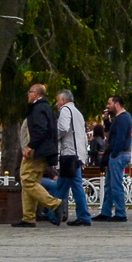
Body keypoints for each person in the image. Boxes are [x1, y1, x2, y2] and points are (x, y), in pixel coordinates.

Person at [18, 81, 66, 227]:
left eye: (30, 92)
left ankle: (55, 204)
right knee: (31, 182)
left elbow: (41, 130)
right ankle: (28, 217)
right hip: (45, 151)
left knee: (27, 180)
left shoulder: (38, 109)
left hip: (37, 151)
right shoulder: (46, 108)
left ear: (37, 94)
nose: (28, 95)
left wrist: (30, 146)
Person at [45, 88, 92, 226]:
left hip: (69, 155)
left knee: (66, 186)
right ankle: (58, 214)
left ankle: (58, 214)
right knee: (65, 185)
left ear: (64, 100)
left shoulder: (65, 110)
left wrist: (53, 137)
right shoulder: (78, 113)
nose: (57, 104)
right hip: (77, 155)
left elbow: (63, 128)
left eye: (58, 100)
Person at [96, 97, 132, 222]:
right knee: (110, 184)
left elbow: (119, 137)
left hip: (119, 154)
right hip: (118, 153)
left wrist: (114, 153)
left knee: (116, 184)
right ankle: (106, 211)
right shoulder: (121, 118)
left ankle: (120, 213)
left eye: (109, 103)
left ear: (117, 104)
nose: (108, 106)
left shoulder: (123, 118)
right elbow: (112, 131)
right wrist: (106, 121)